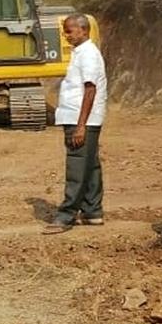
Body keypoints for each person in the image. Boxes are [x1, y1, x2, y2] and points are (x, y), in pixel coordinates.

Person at [43, 13, 107, 234]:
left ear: (84, 30)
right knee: (90, 166)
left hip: (81, 120)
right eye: (65, 31)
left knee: (77, 166)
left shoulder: (88, 54)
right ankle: (92, 212)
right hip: (80, 118)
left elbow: (90, 90)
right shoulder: (80, 53)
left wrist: (81, 126)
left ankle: (66, 216)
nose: (66, 35)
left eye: (69, 31)